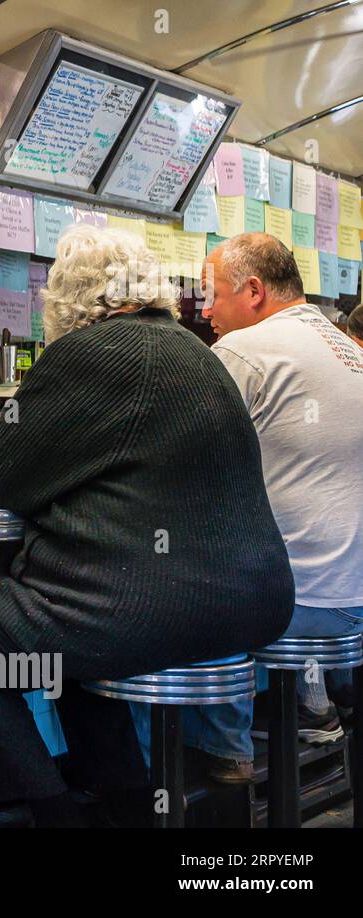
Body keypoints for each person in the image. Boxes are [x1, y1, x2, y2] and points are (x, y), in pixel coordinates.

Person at [0, 225, 294, 826]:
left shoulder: (86, 354)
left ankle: (53, 814)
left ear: (67, 302)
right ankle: (124, 799)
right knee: (70, 652)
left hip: (153, 608)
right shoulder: (197, 351)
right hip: (254, 603)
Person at [189, 233, 363, 774]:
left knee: (177, 597)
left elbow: (184, 466)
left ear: (255, 290)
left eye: (212, 296)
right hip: (354, 601)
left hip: (301, 608)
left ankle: (217, 761)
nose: (206, 312)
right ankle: (307, 710)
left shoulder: (242, 352)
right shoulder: (349, 349)